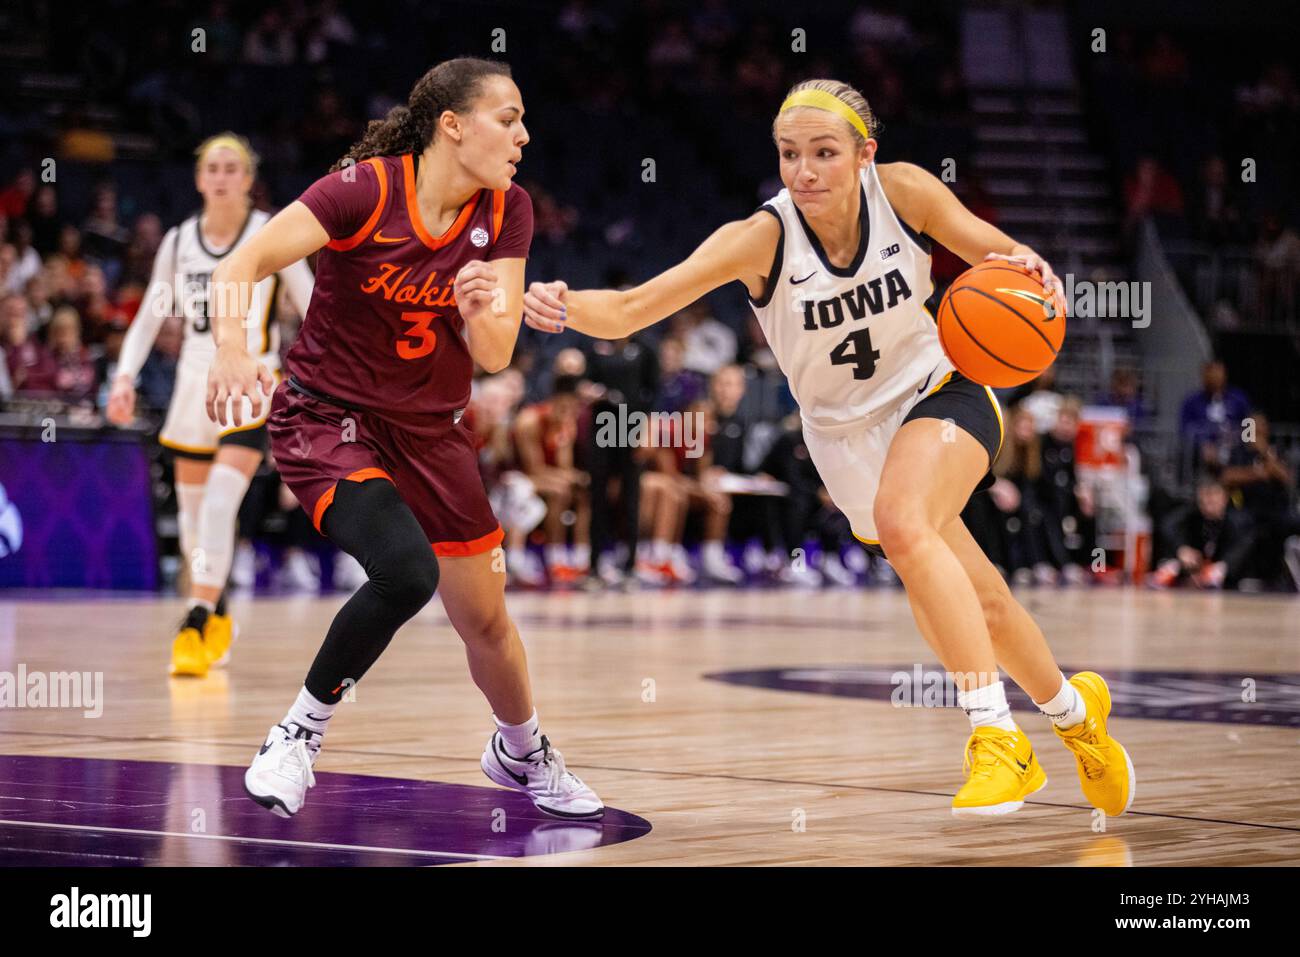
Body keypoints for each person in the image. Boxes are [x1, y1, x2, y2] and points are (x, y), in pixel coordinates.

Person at [524, 78, 1134, 818]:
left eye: (823, 153)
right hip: (842, 439)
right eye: (789, 155)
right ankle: (1077, 716)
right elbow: (628, 310)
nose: (804, 171)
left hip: (939, 392)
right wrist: (559, 303)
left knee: (907, 523)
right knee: (984, 602)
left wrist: (1033, 271)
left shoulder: (905, 194)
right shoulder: (761, 239)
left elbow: (1000, 256)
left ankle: (998, 737)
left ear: (864, 154)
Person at [205, 57, 602, 820]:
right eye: (507, 117)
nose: (524, 134)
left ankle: (521, 750)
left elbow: (493, 355)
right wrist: (230, 348)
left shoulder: (508, 209)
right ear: (452, 125)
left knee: (486, 621)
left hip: (432, 433)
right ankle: (296, 734)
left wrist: (475, 305)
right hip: (330, 419)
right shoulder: (363, 191)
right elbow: (244, 261)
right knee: (405, 571)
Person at [107, 132, 315, 677]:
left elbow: (313, 305)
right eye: (212, 169)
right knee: (196, 520)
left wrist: (317, 381)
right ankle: (218, 610)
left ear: (248, 179)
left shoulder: (271, 232)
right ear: (199, 179)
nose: (221, 177)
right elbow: (151, 316)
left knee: (222, 505)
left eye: (232, 168)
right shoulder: (177, 242)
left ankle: (196, 616)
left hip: (251, 383)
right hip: (192, 388)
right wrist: (124, 376)